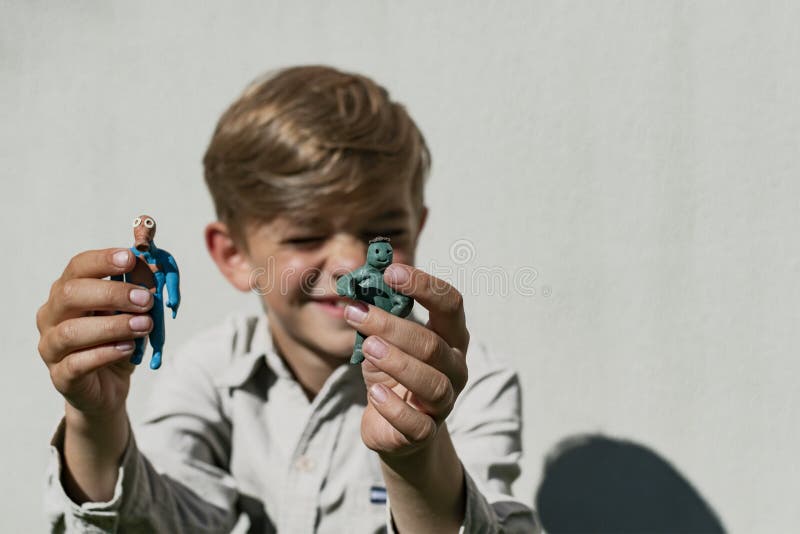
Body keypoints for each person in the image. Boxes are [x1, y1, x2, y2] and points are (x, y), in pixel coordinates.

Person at [36, 65, 538, 533]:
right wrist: (95, 423)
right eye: (304, 236)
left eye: (381, 230)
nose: (346, 261)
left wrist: (417, 460)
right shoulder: (211, 374)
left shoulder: (469, 381)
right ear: (234, 255)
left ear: (416, 230)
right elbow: (164, 519)